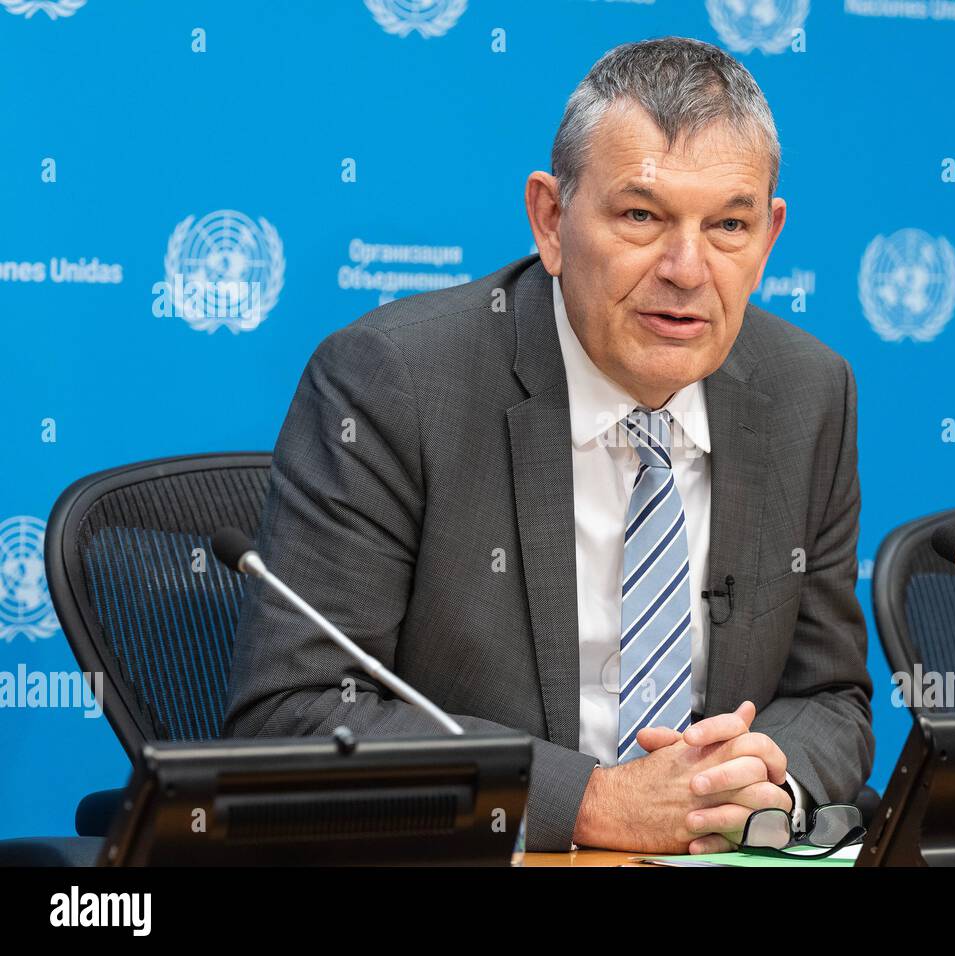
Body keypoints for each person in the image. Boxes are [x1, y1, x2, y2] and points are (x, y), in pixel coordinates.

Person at [224, 35, 873, 854]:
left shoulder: (808, 394)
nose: (686, 266)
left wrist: (761, 780)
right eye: (641, 215)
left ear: (770, 237)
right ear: (552, 220)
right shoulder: (396, 383)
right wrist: (594, 804)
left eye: (728, 225)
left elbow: (830, 696)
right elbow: (299, 713)